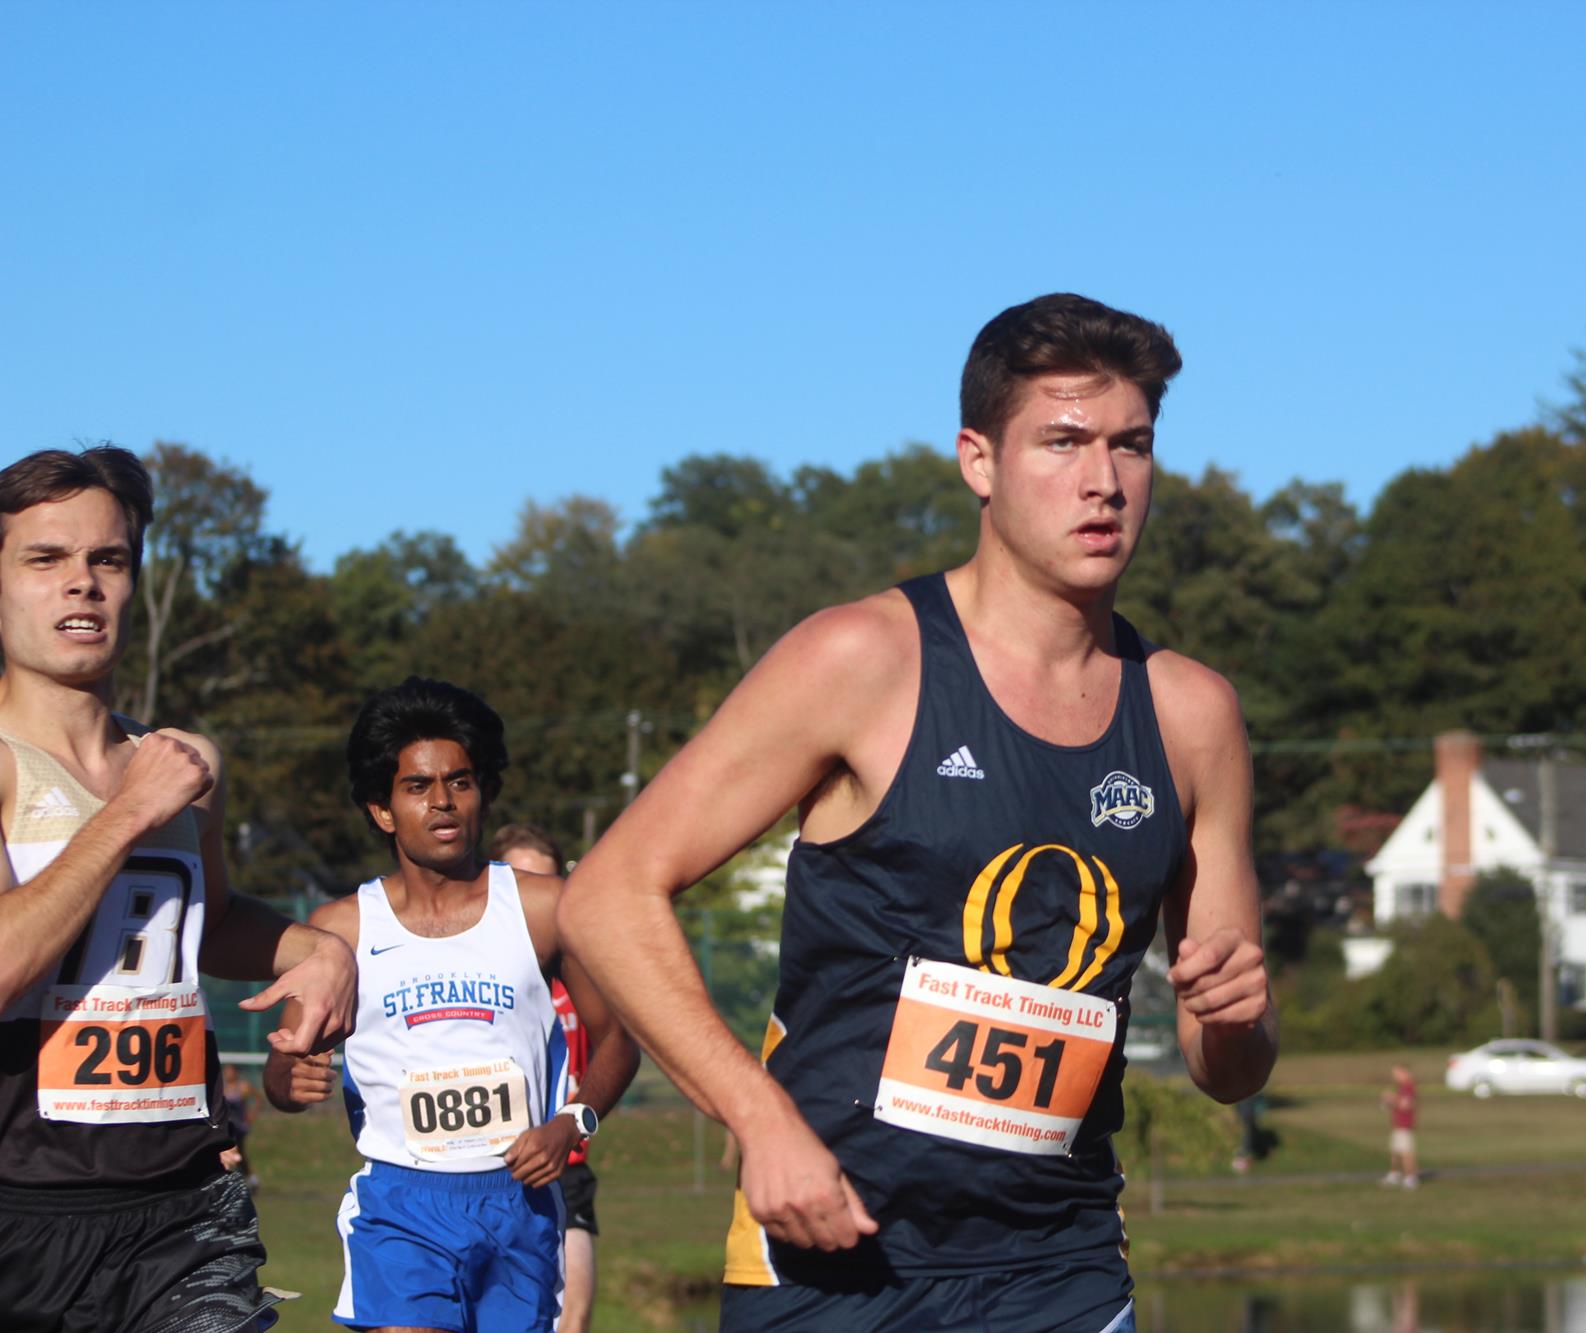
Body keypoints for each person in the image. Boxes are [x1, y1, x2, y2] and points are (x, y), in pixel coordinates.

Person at [560, 293, 1278, 1332]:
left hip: (1061, 1270)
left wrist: (1238, 1017)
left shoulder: (1191, 714)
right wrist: (759, 1121)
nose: (1103, 482)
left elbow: (1230, 1071)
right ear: (977, 461)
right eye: (1062, 442)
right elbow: (609, 895)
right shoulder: (861, 661)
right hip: (833, 1257)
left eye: (1131, 446)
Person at [0, 445, 357, 1332]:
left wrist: (317, 947)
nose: (81, 583)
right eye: (45, 559)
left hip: (184, 1207)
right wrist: (124, 816)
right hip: (21, 1210)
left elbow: (212, 922)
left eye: (106, 559)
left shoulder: (182, 762)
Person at [263, 678, 638, 1332]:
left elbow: (619, 1040)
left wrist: (573, 1123)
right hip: (401, 1202)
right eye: (417, 786)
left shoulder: (545, 906)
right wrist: (286, 1079)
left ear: (484, 791)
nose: (442, 801)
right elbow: (285, 1067)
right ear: (381, 809)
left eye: (461, 781)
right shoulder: (340, 929)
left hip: (518, 1200)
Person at [493, 821, 603, 1333]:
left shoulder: (579, 968)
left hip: (563, 1167)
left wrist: (576, 1121)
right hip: (479, 1169)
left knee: (569, 1322)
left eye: (547, 882)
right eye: (519, 881)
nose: (534, 896)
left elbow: (617, 1050)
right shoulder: (474, 973)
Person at [220, 1062, 259, 1190]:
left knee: (236, 1151)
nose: (227, 1074)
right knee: (234, 1152)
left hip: (239, 1126)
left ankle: (245, 1179)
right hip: (227, 1126)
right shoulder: (222, 1088)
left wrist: (251, 1115)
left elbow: (258, 1098)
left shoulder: (242, 1087)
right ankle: (246, 1180)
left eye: (230, 1071)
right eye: (226, 1071)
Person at [1381, 1063, 1419, 1189]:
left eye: (1398, 1074)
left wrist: (1392, 1098)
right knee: (1396, 1152)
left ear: (1406, 1073)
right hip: (1398, 1125)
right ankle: (1394, 1174)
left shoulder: (1408, 1088)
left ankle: (1411, 1178)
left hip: (1405, 1125)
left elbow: (1406, 1105)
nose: (1395, 1077)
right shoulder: (1402, 1088)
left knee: (1406, 1152)